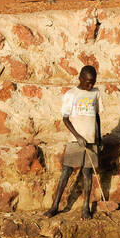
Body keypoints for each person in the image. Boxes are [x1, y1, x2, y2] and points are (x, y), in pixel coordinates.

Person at [46, 65, 101, 219]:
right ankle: (55, 206)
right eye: (88, 82)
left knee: (87, 173)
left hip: (91, 140)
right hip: (75, 140)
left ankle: (85, 208)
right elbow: (65, 119)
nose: (90, 86)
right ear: (80, 79)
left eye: (93, 82)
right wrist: (77, 137)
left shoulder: (96, 93)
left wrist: (99, 138)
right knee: (66, 172)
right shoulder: (71, 94)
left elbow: (97, 117)